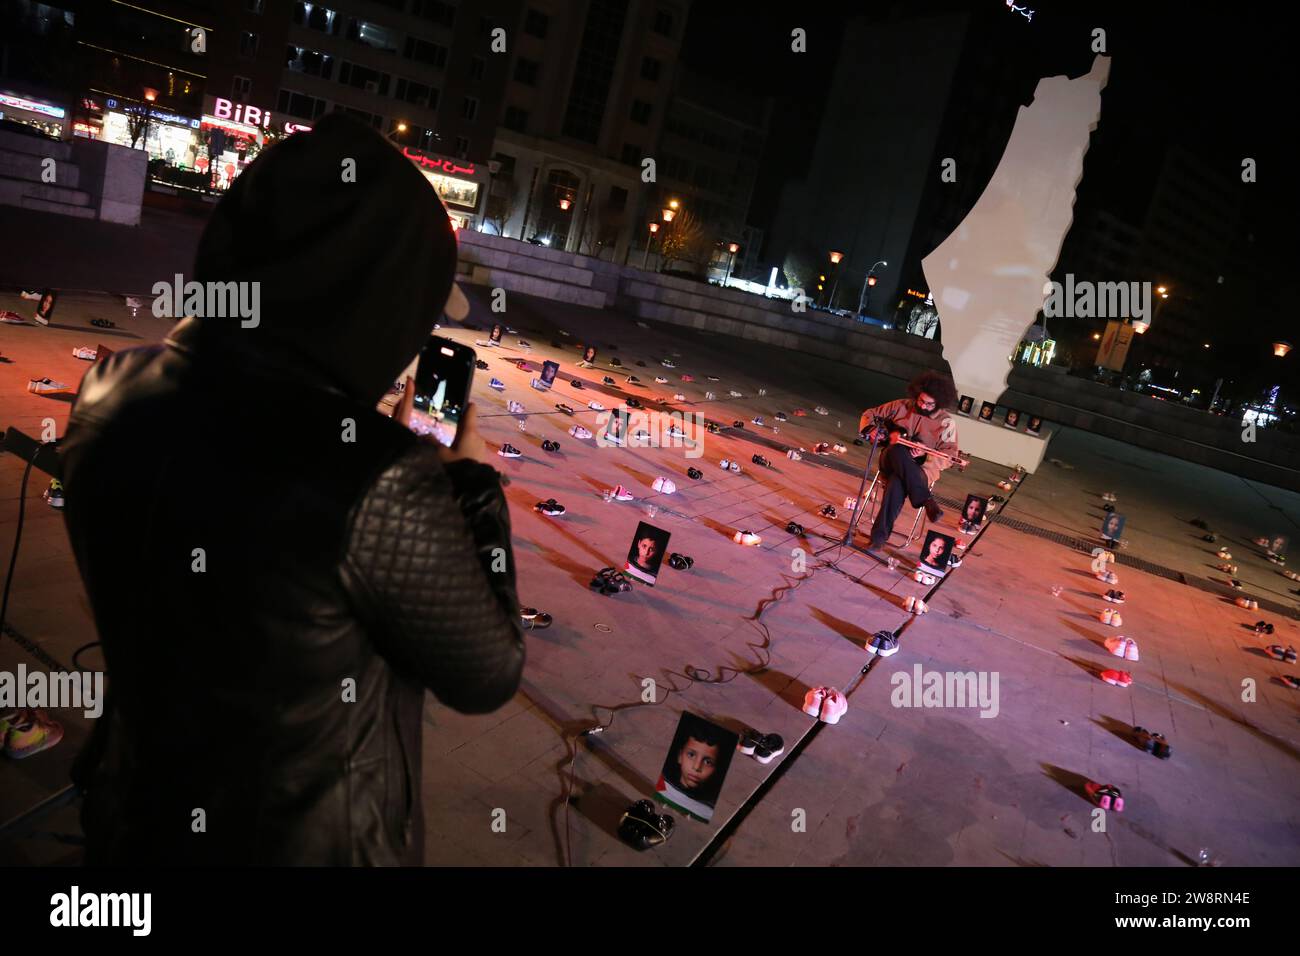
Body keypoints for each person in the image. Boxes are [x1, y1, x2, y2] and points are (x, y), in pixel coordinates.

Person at [60, 113, 525, 865]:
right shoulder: (375, 477)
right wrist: (470, 484)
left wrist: (342, 420)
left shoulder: (108, 387)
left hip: (136, 820)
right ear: (367, 294)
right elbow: (489, 673)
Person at [858, 370, 959, 552]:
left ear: (939, 403)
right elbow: (870, 413)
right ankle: (925, 499)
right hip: (890, 460)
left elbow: (949, 456)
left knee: (897, 483)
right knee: (897, 448)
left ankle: (878, 539)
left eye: (929, 404)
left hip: (920, 470)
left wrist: (924, 455)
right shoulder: (901, 406)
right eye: (920, 400)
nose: (923, 405)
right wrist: (872, 429)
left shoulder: (947, 423)